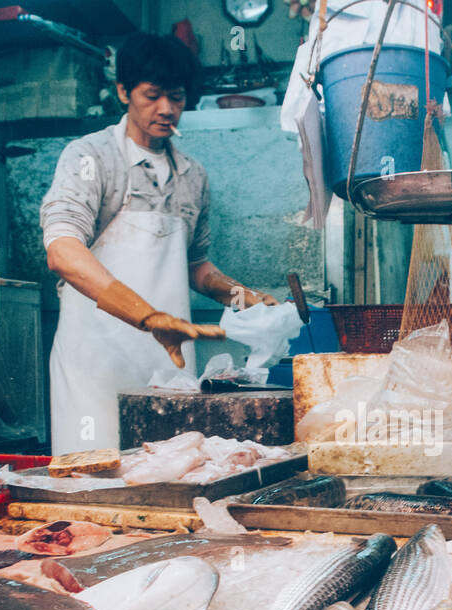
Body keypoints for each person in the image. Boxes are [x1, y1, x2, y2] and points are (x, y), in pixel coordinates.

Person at [41, 32, 278, 454]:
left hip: (168, 362)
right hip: (95, 359)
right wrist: (148, 318)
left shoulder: (193, 175)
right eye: (152, 96)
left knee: (167, 473)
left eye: (177, 98)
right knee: (94, 480)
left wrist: (248, 298)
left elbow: (197, 267)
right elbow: (62, 251)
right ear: (123, 92)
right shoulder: (91, 157)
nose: (166, 109)